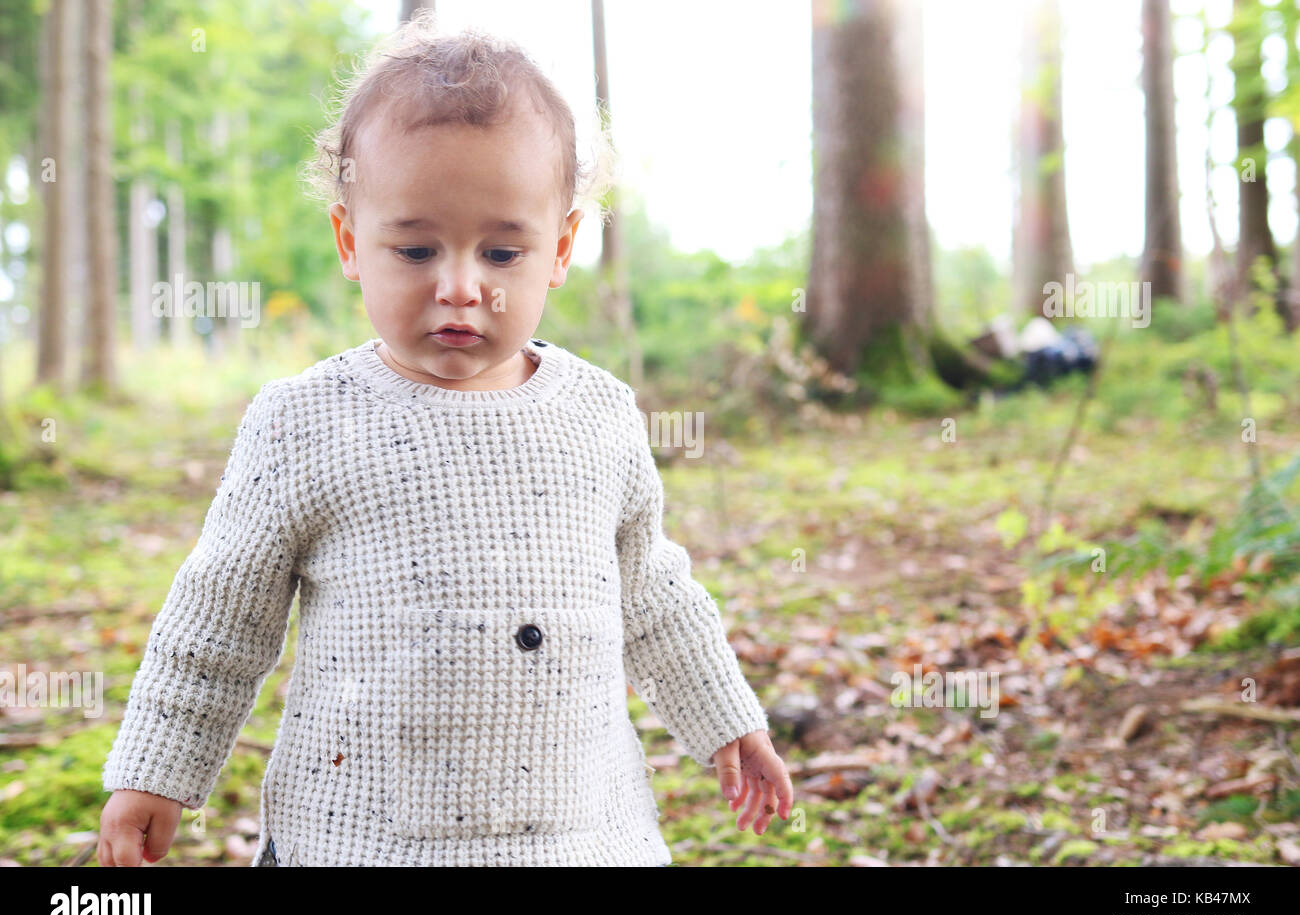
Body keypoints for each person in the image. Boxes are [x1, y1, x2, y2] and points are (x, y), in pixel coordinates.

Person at [98, 12, 792, 867]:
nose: (460, 286)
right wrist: (156, 770)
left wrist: (728, 718)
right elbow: (216, 623)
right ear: (353, 242)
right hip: (360, 841)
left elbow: (652, 596)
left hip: (581, 838)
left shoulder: (600, 416)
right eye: (417, 248)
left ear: (562, 248)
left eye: (502, 253)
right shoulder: (303, 424)